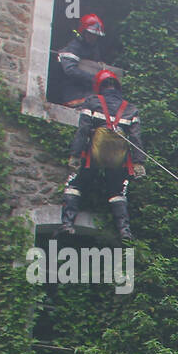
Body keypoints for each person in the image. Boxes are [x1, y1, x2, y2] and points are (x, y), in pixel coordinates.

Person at [59, 69, 145, 241]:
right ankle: (124, 231)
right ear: (117, 87)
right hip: (117, 160)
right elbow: (135, 138)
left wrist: (75, 156)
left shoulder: (92, 102)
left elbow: (83, 131)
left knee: (75, 185)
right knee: (117, 192)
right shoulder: (131, 109)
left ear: (99, 86)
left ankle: (68, 224)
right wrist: (138, 163)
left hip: (92, 156)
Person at [53, 13, 107, 106]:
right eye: (91, 34)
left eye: (95, 35)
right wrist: (94, 78)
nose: (93, 38)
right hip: (71, 91)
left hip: (87, 92)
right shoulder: (73, 47)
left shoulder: (94, 49)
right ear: (83, 32)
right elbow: (70, 70)